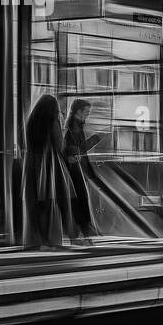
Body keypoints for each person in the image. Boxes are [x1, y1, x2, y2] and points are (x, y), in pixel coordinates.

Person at [21, 93, 74, 250]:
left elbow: (22, 142)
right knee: (51, 202)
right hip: (49, 164)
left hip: (31, 164)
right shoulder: (53, 122)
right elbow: (59, 145)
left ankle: (37, 240)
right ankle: (51, 240)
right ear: (53, 109)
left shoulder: (30, 122)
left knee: (35, 204)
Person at [64, 98, 101, 245]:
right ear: (78, 112)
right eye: (86, 112)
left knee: (79, 202)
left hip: (77, 170)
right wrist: (94, 140)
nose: (87, 115)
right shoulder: (74, 128)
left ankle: (82, 236)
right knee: (81, 203)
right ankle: (84, 236)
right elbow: (76, 151)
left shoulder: (74, 127)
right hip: (76, 171)